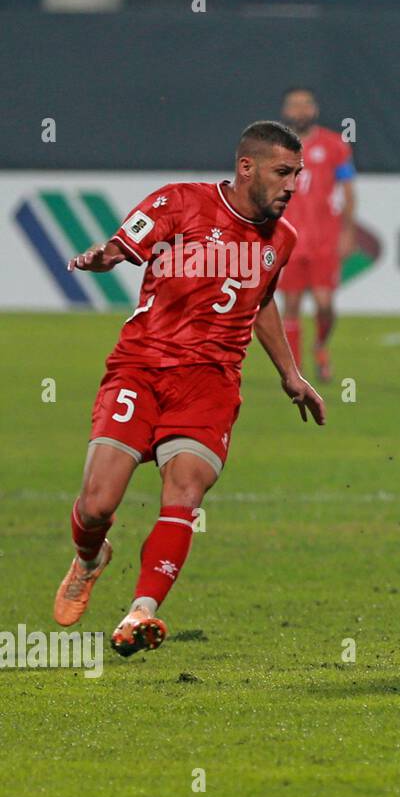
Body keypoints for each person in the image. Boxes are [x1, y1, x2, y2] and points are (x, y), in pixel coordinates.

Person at [53, 121, 326, 655]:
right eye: (283, 172)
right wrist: (104, 255)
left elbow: (260, 299)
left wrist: (289, 373)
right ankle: (90, 558)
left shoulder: (282, 239)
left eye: (298, 174)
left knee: (184, 493)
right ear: (246, 167)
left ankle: (141, 612)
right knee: (96, 505)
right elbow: (121, 244)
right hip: (141, 368)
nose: (293, 185)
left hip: (210, 383)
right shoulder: (179, 202)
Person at [279, 87, 356, 383]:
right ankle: (294, 369)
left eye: (305, 105)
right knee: (292, 304)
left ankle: (321, 346)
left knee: (325, 304)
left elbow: (348, 191)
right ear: (286, 112)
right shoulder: (276, 147)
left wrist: (348, 231)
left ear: (314, 110)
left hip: (324, 237)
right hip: (289, 238)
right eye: (294, 106)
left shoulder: (335, 146)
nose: (300, 111)